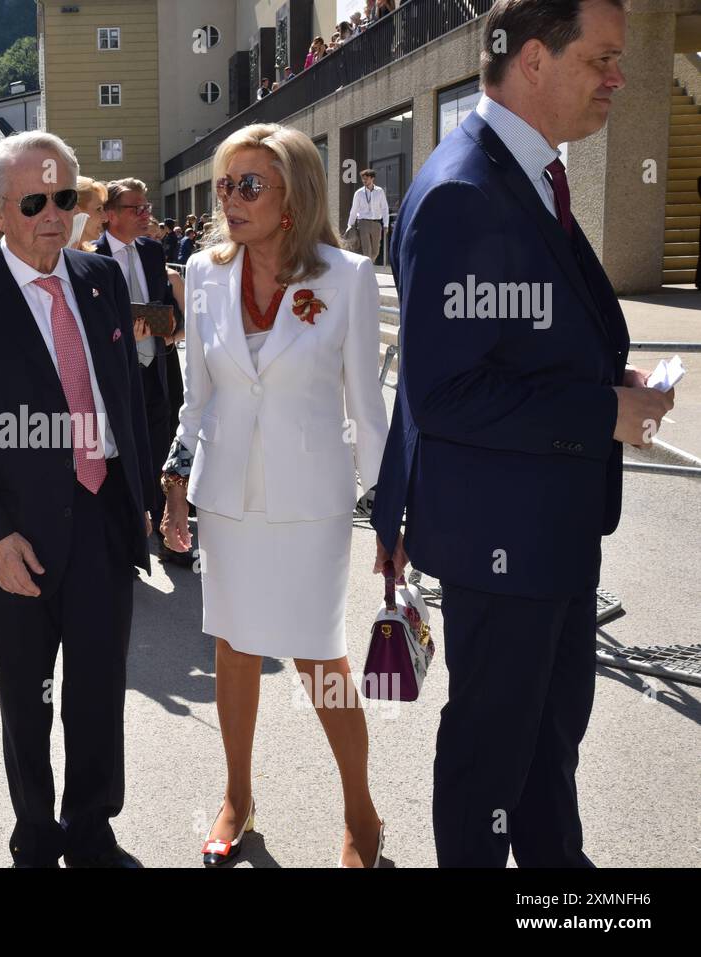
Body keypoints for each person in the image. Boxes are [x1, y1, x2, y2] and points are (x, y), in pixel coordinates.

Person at [370, 0, 663, 868]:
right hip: (506, 542)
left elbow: (510, 349)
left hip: (547, 531)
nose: (618, 78)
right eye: (601, 59)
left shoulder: (521, 171)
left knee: (544, 753)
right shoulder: (466, 190)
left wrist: (611, 383)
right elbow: (444, 390)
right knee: (490, 767)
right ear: (534, 58)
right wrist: (601, 412)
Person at [160, 125, 389, 868]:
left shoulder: (345, 276)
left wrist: (389, 509)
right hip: (226, 496)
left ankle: (359, 808)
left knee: (318, 656)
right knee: (232, 648)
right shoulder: (200, 273)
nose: (230, 199)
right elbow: (196, 396)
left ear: (293, 194)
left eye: (248, 185)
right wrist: (175, 480)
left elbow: (368, 406)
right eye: (226, 185)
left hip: (312, 500)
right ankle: (237, 794)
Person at [0, 130, 154, 869]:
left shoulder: (100, 277)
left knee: (97, 691)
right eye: (34, 201)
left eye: (64, 197)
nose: (54, 214)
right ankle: (36, 834)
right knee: (29, 699)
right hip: (15, 533)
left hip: (102, 519)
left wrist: (143, 500)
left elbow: (127, 397)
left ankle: (91, 830)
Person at [95, 178, 184, 565]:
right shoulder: (89, 257)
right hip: (114, 376)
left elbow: (164, 304)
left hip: (155, 369)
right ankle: (128, 543)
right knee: (122, 455)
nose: (147, 214)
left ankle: (168, 533)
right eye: (137, 208)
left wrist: (169, 332)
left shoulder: (150, 251)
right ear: (110, 215)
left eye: (147, 206)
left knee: (161, 448)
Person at [346, 169, 389, 262]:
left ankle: (368, 265)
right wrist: (350, 225)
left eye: (366, 178)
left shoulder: (380, 191)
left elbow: (385, 208)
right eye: (363, 179)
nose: (364, 181)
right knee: (367, 250)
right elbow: (354, 210)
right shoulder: (359, 193)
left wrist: (386, 225)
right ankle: (368, 271)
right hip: (363, 223)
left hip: (376, 224)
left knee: (376, 251)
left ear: (372, 178)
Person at [72, 177, 108, 252]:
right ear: (74, 211)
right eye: (98, 209)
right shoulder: (47, 259)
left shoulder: (93, 260)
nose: (105, 219)